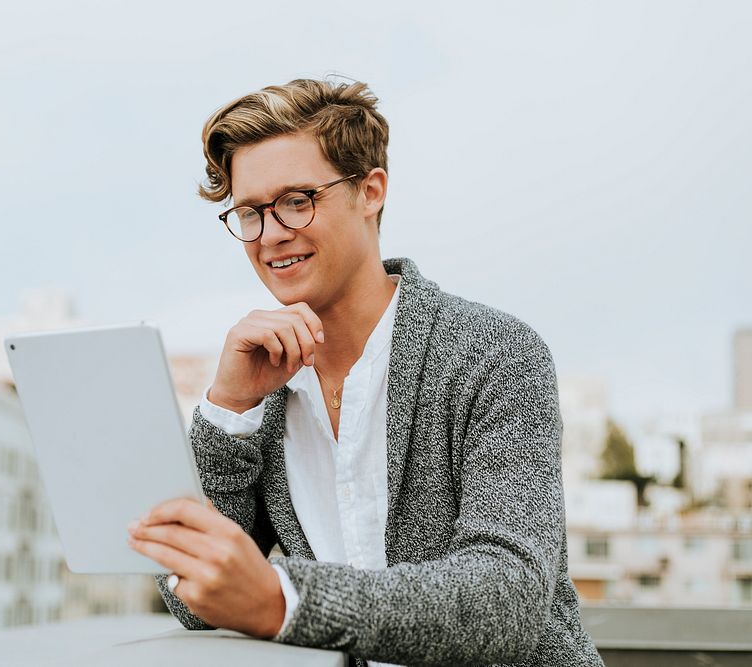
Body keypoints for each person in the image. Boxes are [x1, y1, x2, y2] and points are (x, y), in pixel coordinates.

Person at [126, 78, 605, 666]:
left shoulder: (494, 352)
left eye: (297, 200)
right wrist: (229, 409)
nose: (271, 234)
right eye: (250, 212)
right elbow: (193, 604)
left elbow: (507, 598)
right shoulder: (261, 385)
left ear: (370, 191)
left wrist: (285, 602)